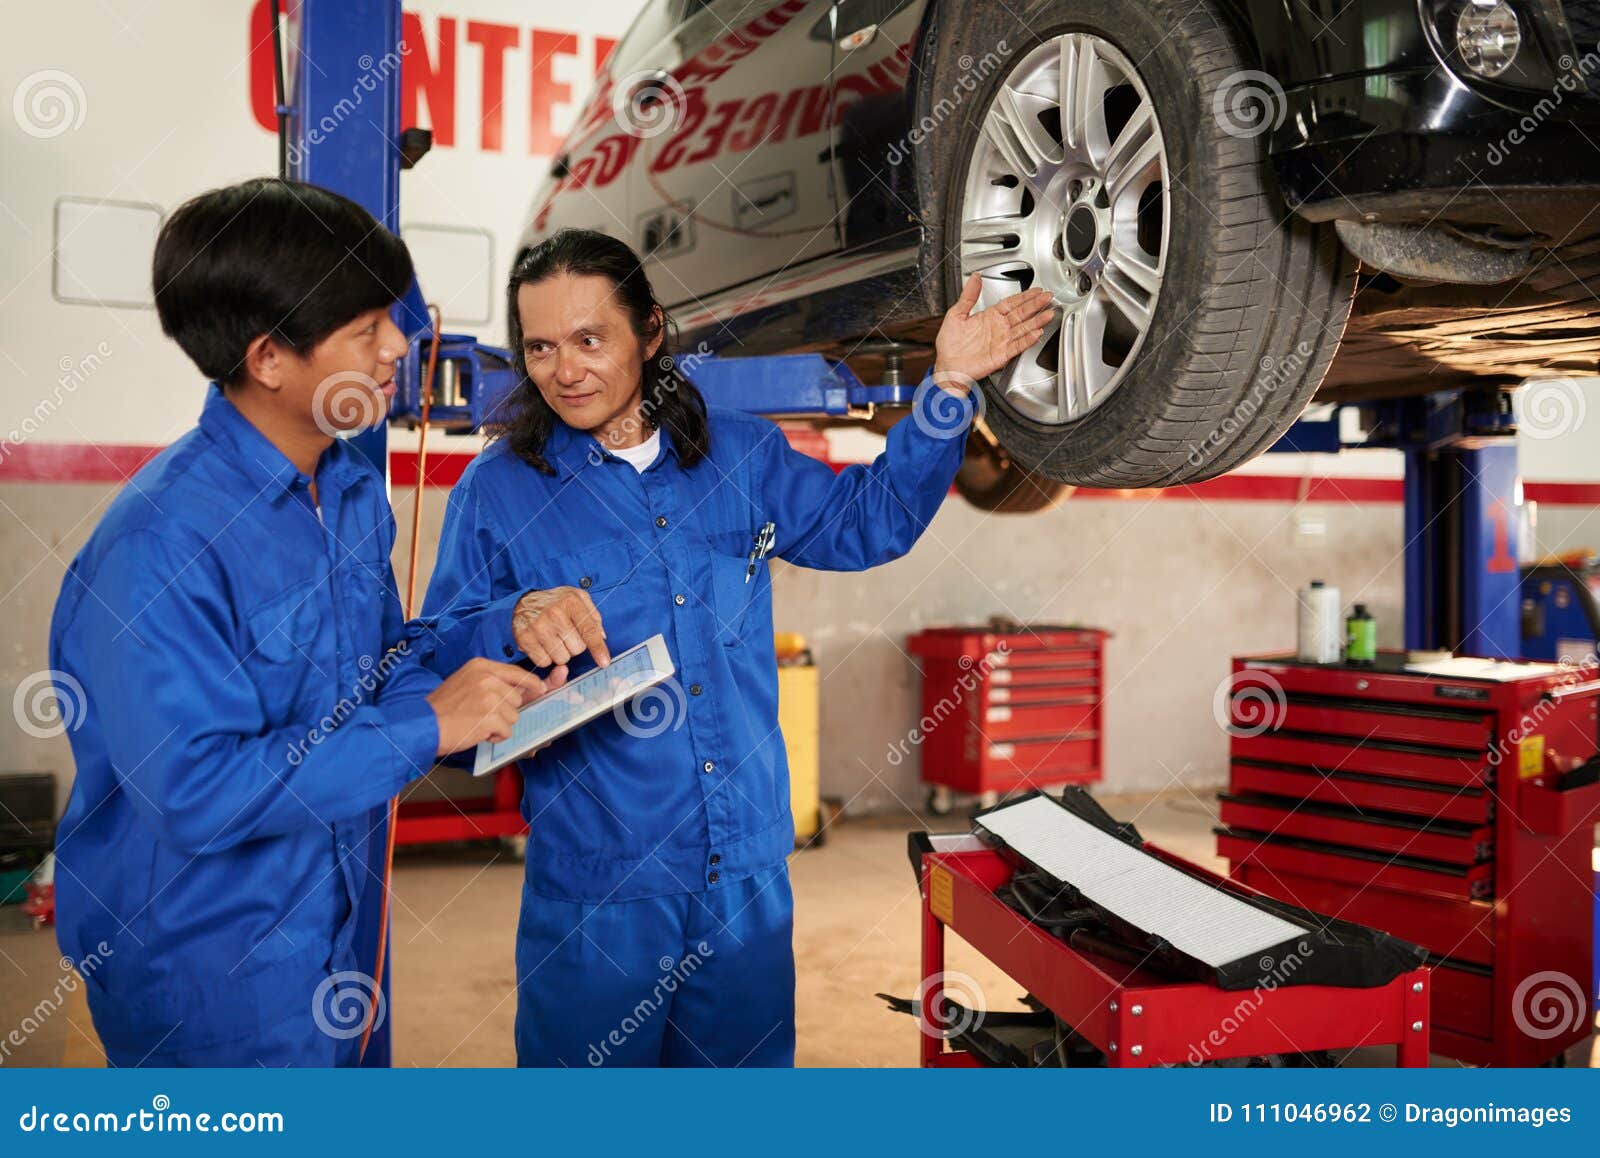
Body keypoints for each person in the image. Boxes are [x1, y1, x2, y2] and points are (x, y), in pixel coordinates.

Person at [422, 228, 1055, 1066]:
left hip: (745, 875)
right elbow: (434, 663)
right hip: (600, 891)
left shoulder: (742, 456)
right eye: (540, 347)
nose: (564, 370)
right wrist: (512, 617)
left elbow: (871, 522)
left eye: (589, 340)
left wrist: (948, 386)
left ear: (650, 332)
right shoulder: (498, 489)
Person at [49, 177, 562, 1068]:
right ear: (269, 358)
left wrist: (500, 637)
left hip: (336, 928)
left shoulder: (349, 490)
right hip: (208, 974)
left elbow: (379, 664)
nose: (397, 345)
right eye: (366, 328)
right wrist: (427, 726)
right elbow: (194, 793)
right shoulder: (159, 545)